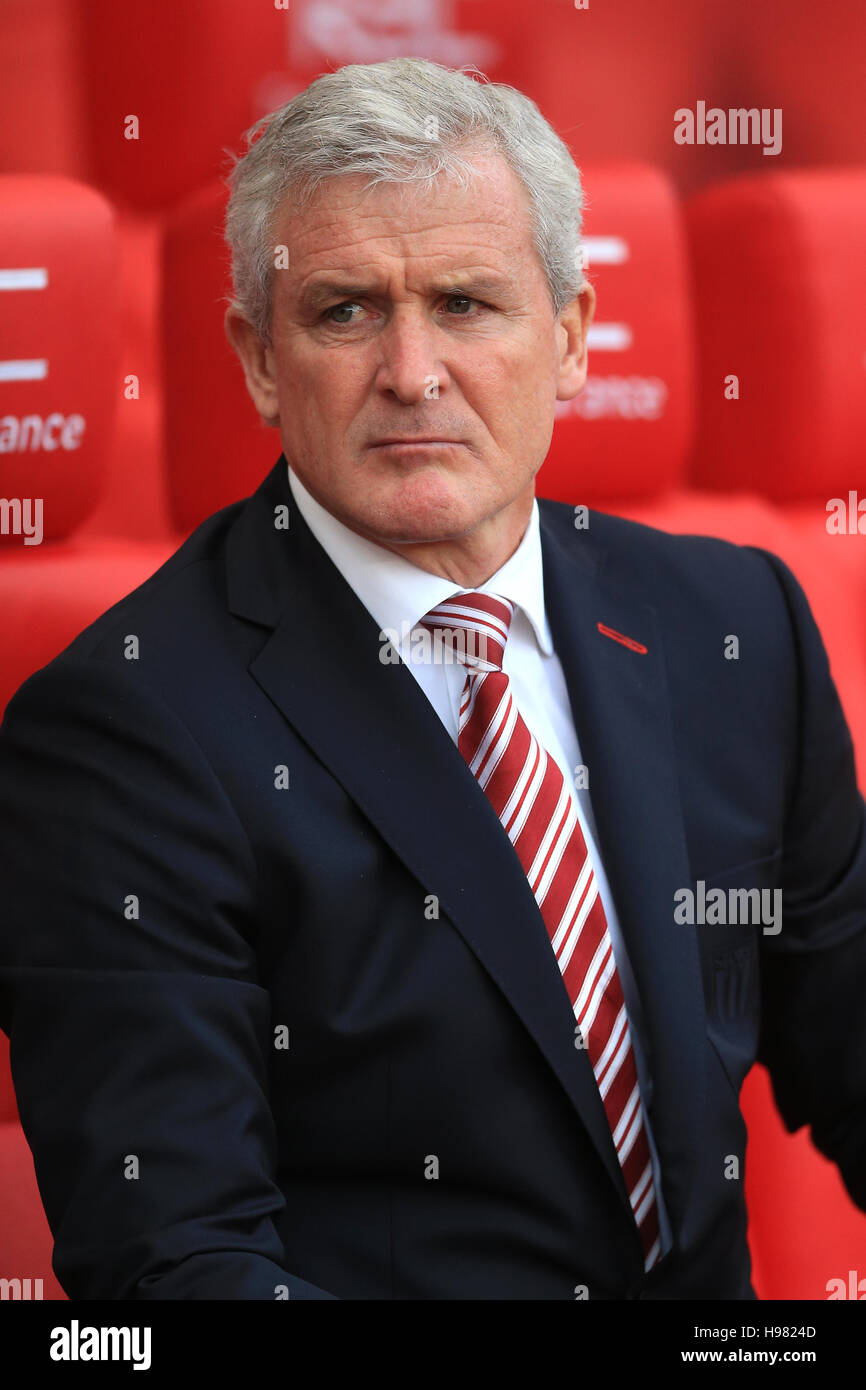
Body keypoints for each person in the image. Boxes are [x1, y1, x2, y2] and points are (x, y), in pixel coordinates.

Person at [1, 57, 864, 1301]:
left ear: (569, 338)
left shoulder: (734, 623)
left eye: (465, 303)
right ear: (256, 358)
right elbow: (175, 1265)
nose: (411, 371)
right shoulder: (123, 728)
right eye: (345, 311)